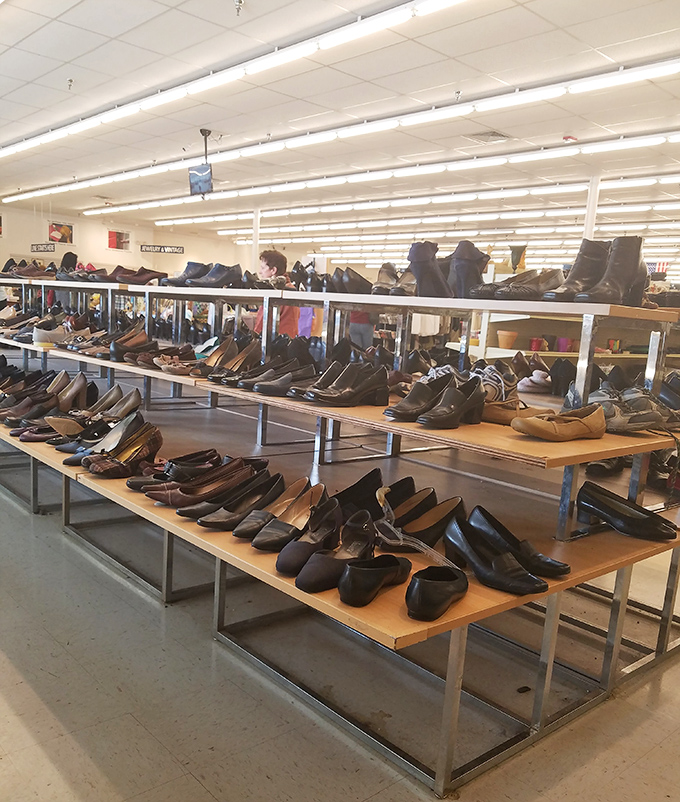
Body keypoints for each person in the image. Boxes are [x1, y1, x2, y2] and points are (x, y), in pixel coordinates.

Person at [253, 249, 300, 338]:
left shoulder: (275, 292)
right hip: (288, 340)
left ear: (273, 270)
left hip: (274, 342)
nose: (260, 272)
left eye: (263, 268)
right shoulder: (291, 289)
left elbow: (262, 324)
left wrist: (254, 337)